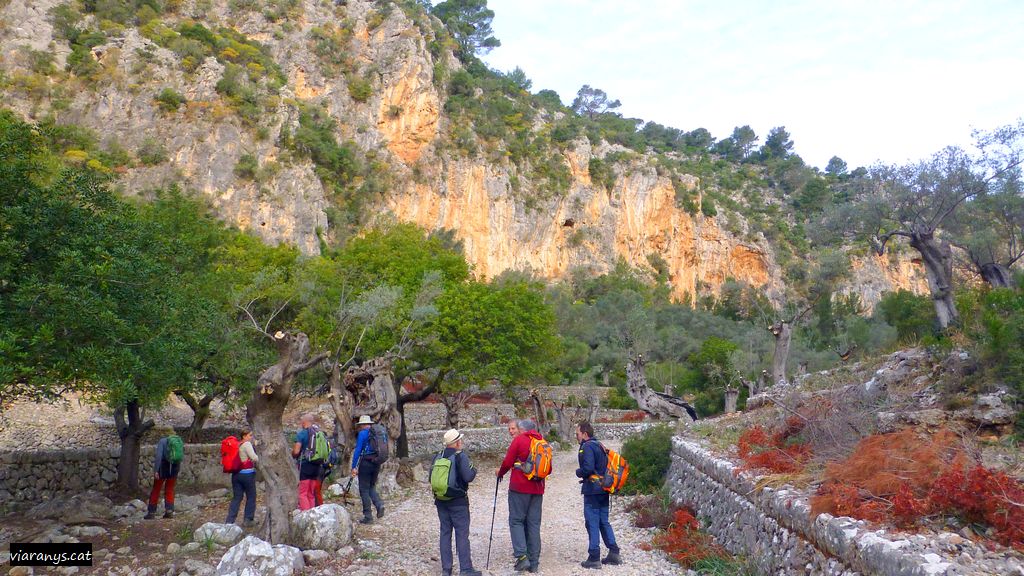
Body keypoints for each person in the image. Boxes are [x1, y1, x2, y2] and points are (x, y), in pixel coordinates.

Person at [496, 419, 545, 573]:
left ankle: (522, 557)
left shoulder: (519, 440)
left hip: (519, 487)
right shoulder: (542, 442)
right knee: (533, 524)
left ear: (522, 429)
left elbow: (508, 461)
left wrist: (500, 473)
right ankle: (534, 562)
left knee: (516, 520)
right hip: (538, 489)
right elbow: (548, 469)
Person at [433, 429, 482, 576]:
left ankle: (446, 569)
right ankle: (466, 569)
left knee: (445, 533)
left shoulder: (438, 456)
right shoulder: (461, 456)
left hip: (441, 500)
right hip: (458, 501)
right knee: (461, 534)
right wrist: (474, 470)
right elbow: (468, 477)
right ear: (457, 442)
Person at [575, 421, 621, 568]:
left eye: (577, 434)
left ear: (585, 434)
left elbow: (587, 469)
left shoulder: (587, 446)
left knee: (592, 522)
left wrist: (579, 472)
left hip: (593, 490)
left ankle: (594, 557)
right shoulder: (599, 445)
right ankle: (614, 553)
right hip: (604, 489)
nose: (576, 437)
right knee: (603, 521)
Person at [351, 414, 384, 524]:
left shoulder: (363, 434)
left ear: (363, 425)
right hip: (377, 462)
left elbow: (358, 451)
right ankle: (379, 504)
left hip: (366, 462)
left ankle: (368, 516)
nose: (360, 427)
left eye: (360, 425)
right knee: (371, 486)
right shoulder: (378, 433)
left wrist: (354, 467)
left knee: (363, 489)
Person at [226, 429, 259, 526]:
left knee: (237, 497)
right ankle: (248, 519)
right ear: (244, 436)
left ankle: (230, 520)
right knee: (251, 496)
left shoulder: (238, 445)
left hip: (236, 474)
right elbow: (254, 457)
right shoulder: (247, 444)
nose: (251, 437)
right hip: (247, 474)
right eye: (250, 435)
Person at [145, 434, 182, 519]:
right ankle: (169, 510)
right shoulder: (178, 440)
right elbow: (180, 456)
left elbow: (159, 456)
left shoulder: (162, 441)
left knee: (156, 489)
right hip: (174, 468)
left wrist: (156, 470)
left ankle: (151, 512)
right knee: (170, 488)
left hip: (163, 468)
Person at [292, 413, 322, 511]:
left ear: (304, 422)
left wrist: (293, 454)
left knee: (303, 493)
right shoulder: (318, 433)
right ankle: (313, 514)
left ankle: (306, 515)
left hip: (305, 465)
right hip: (316, 465)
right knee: (311, 493)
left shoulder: (302, 433)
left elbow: (296, 451)